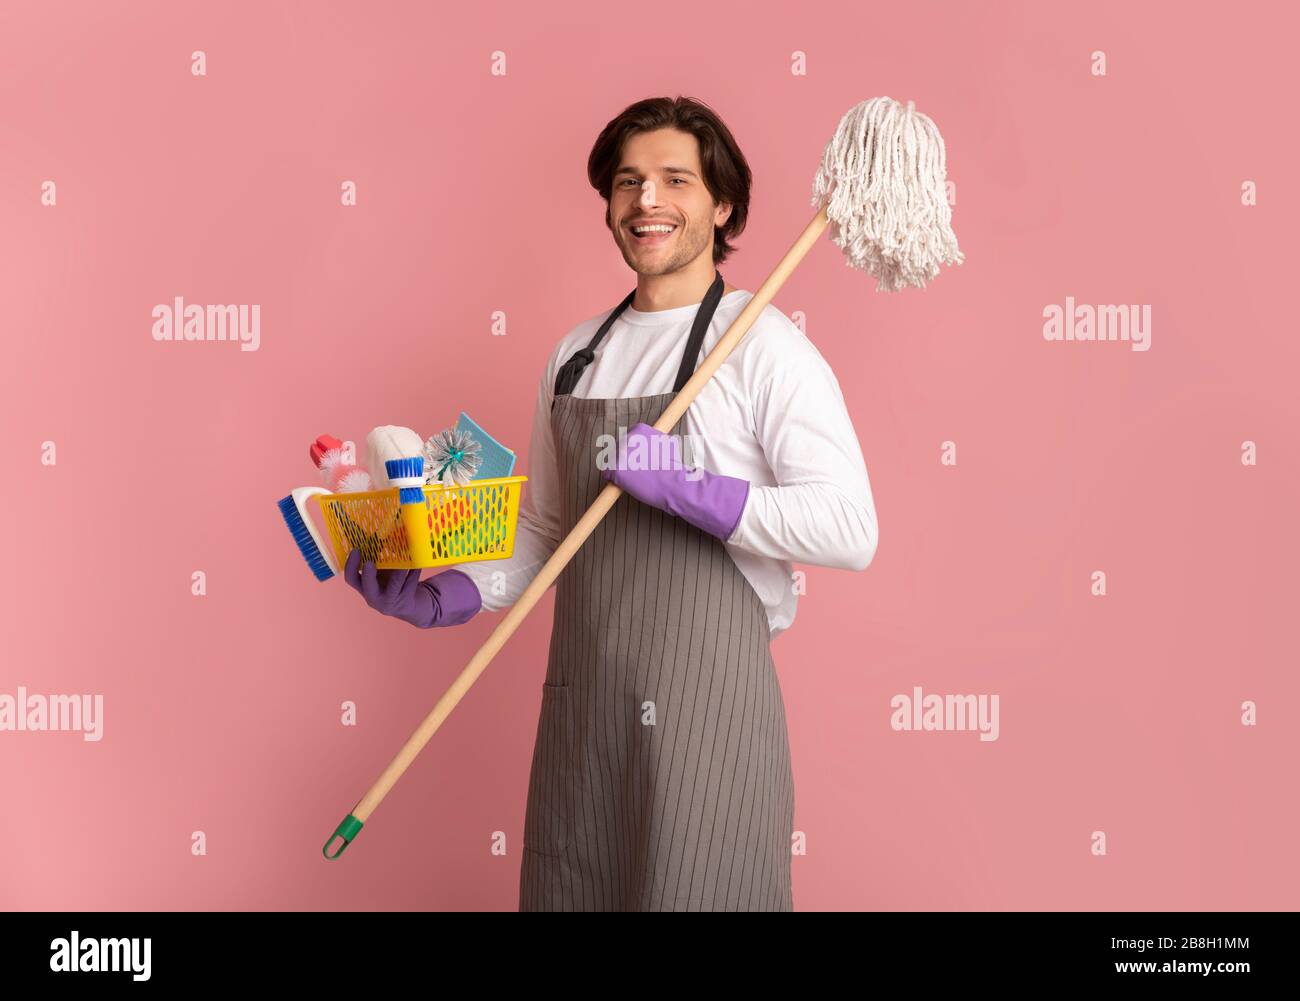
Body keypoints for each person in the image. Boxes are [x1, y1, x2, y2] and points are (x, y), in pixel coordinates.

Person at [344, 95, 878, 912]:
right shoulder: (574, 357)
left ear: (722, 202)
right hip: (585, 719)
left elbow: (851, 527)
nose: (647, 202)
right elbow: (548, 533)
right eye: (628, 182)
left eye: (675, 179)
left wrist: (697, 492)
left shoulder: (763, 344)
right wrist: (449, 591)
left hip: (710, 723)